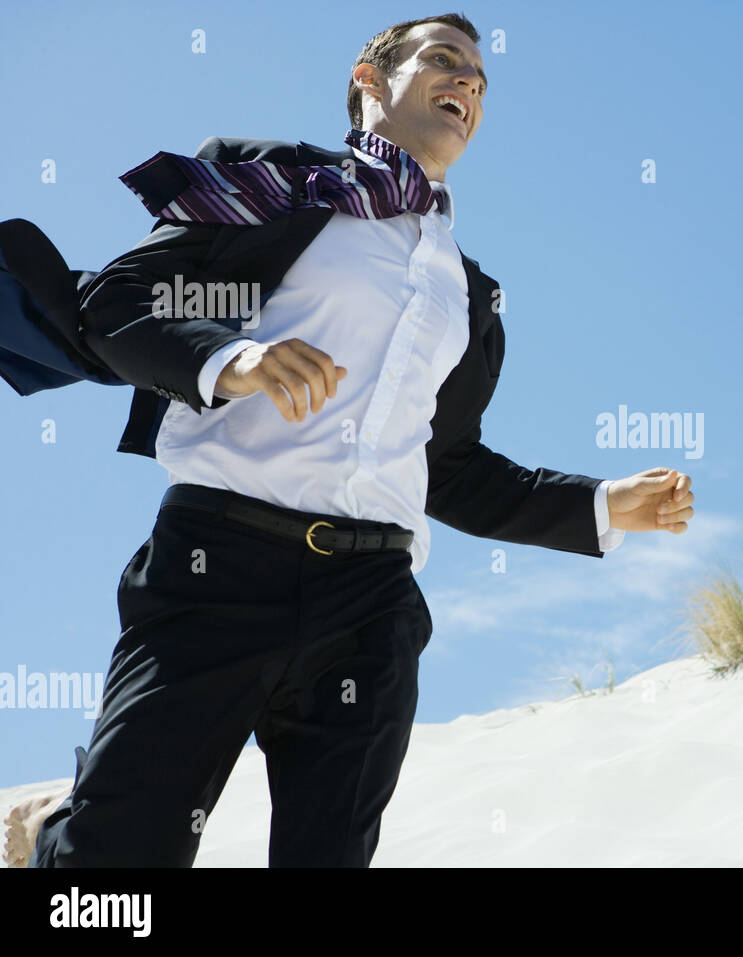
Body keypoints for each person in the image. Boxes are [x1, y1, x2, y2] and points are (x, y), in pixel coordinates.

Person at [2, 12, 695, 868]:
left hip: (372, 601)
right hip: (218, 562)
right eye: (445, 61)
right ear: (370, 76)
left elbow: (450, 467)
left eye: (479, 78)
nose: (469, 83)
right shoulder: (269, 186)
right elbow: (116, 304)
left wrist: (596, 503)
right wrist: (233, 357)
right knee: (117, 865)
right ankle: (60, 843)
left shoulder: (468, 295)